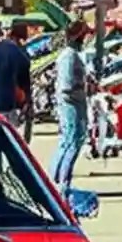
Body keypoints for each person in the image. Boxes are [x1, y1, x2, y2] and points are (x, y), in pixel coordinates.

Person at [50, 21, 90, 197]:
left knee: (69, 140)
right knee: (71, 141)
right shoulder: (69, 56)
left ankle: (57, 179)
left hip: (74, 103)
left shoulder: (72, 55)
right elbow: (66, 86)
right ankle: (62, 181)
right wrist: (82, 87)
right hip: (71, 104)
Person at [0, 21, 32, 141]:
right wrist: (26, 101)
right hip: (12, 103)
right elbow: (24, 78)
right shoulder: (19, 53)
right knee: (14, 139)